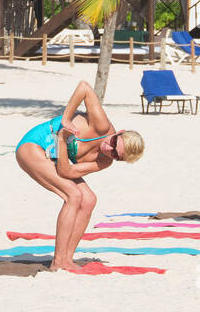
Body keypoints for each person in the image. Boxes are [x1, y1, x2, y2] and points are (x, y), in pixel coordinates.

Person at [14, 80, 144, 272]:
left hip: (55, 156)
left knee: (89, 199)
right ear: (120, 132)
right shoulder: (101, 125)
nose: (109, 149)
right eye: (114, 142)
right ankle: (58, 260)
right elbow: (84, 87)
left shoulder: (104, 161)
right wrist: (66, 119)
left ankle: (67, 258)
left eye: (116, 154)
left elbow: (66, 171)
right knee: (73, 196)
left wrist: (62, 141)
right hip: (34, 146)